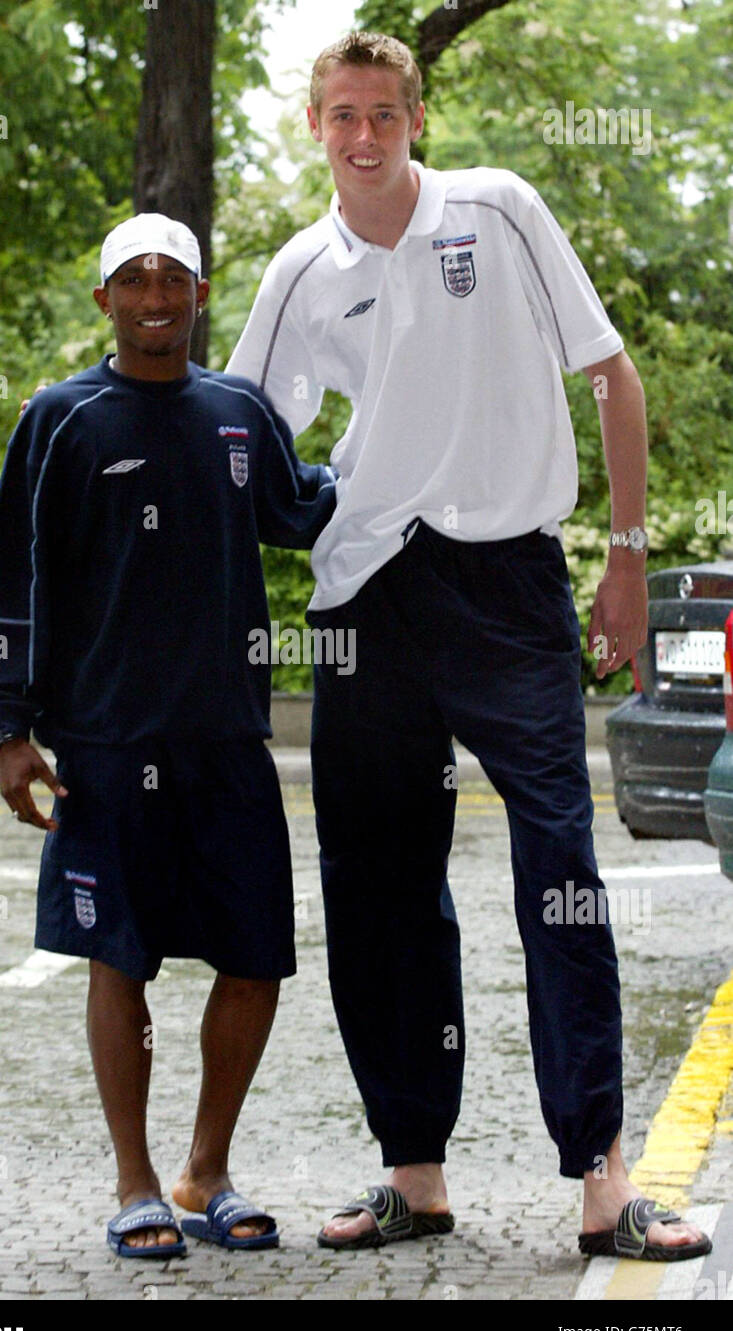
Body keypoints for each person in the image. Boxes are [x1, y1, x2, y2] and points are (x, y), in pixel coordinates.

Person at [226, 31, 711, 1261]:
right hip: (366, 600)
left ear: (417, 118)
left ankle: (604, 1182)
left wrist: (627, 552)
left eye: (385, 111)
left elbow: (610, 374)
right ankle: (415, 1172)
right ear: (316, 128)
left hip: (509, 585)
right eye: (342, 114)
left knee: (562, 868)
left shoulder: (497, 213)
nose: (365, 135)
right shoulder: (299, 271)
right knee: (381, 889)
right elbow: (242, 445)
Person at [0, 213, 336, 1258]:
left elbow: (304, 507)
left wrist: (402, 454)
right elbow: (12, 570)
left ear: (202, 295)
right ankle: (135, 1182)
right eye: (132, 279)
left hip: (225, 736)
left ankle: (205, 1168)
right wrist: (10, 725)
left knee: (258, 954)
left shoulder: (238, 412)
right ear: (105, 301)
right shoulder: (60, 418)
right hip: (101, 738)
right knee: (116, 958)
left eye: (172, 277)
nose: (153, 294)